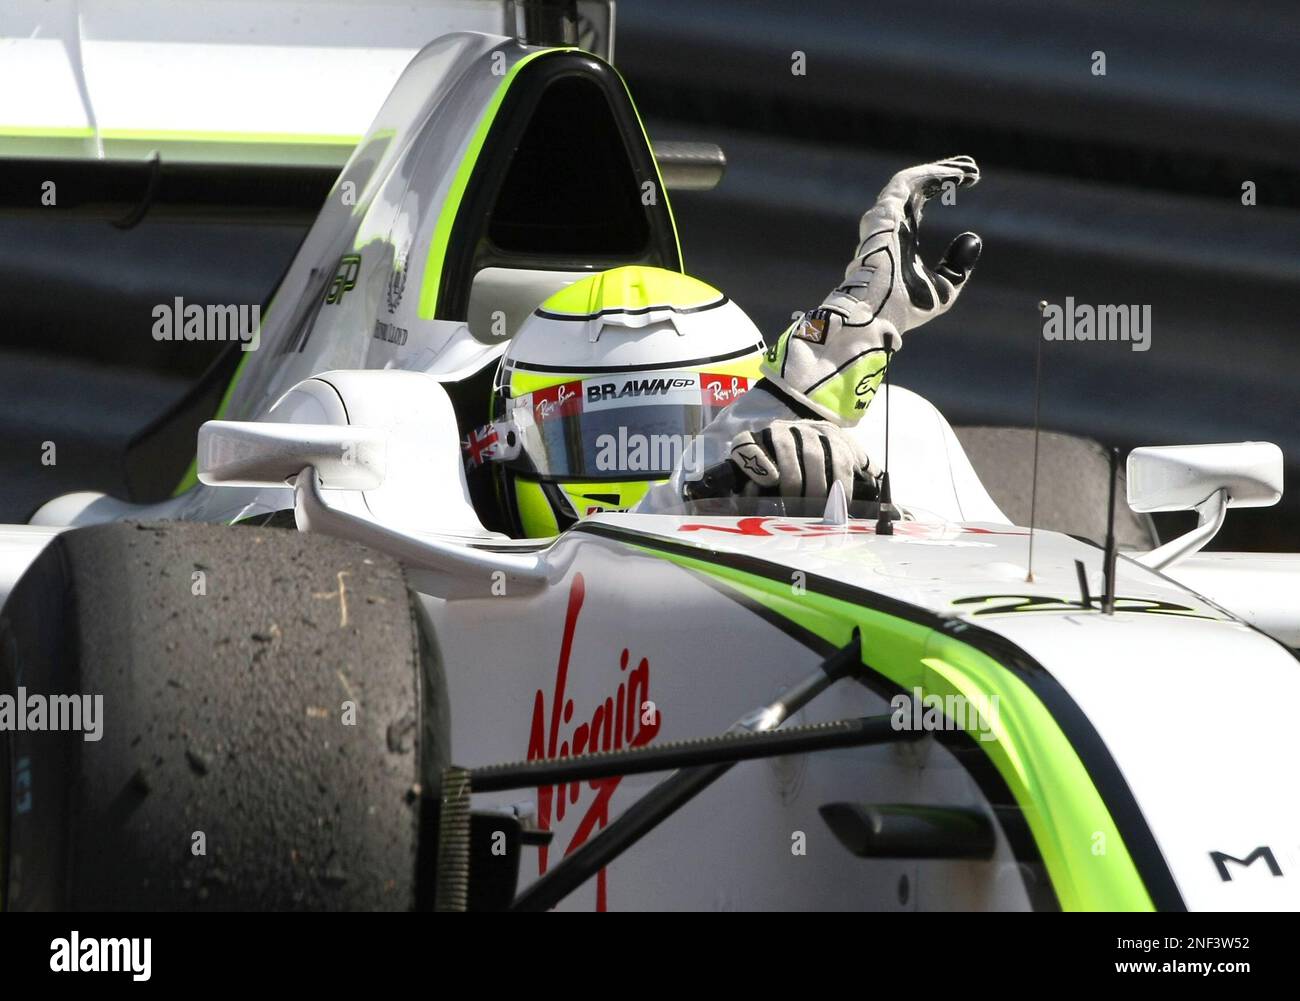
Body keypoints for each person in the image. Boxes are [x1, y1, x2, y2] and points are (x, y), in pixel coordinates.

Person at [642, 156, 983, 509]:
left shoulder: (835, 456)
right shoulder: (589, 549)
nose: (638, 447)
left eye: (702, 419)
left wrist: (853, 326)